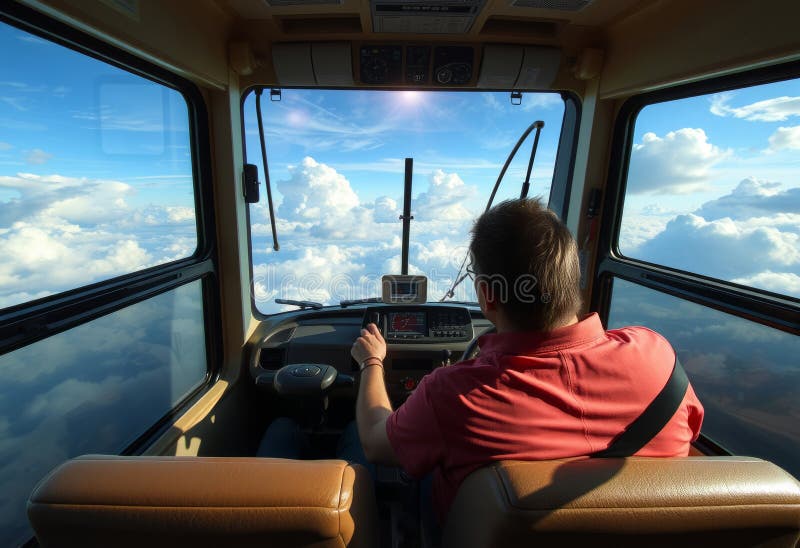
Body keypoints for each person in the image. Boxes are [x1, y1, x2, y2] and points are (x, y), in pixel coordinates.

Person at [351, 197, 704, 526]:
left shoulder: (451, 395)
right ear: (572, 280)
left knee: (356, 442)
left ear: (487, 296)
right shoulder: (656, 354)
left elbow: (375, 442)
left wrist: (372, 363)